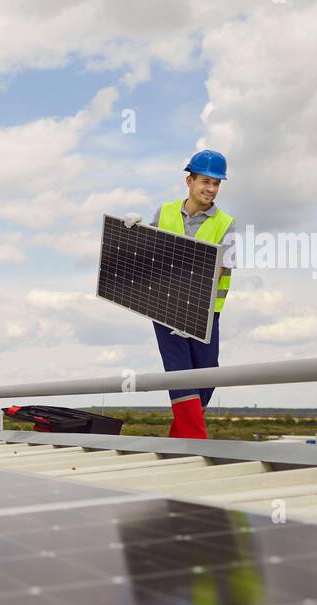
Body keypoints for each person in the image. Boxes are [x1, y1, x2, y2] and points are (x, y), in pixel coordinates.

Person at [124, 149, 236, 439]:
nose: (211, 189)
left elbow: (223, 269)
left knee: (208, 374)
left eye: (216, 183)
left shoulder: (226, 223)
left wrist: (191, 304)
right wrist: (134, 231)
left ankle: (180, 436)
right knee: (180, 374)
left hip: (205, 312)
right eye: (205, 181)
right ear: (190, 181)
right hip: (164, 307)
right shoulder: (165, 212)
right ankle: (194, 441)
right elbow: (147, 252)